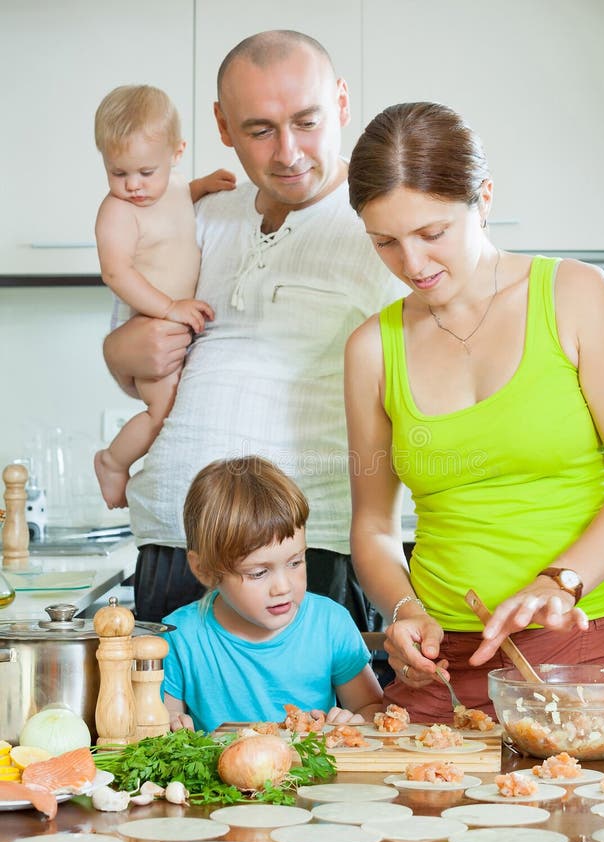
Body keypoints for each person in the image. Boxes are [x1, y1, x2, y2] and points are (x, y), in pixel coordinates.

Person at [344, 101, 604, 726]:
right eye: (386, 243)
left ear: (484, 199)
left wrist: (561, 582)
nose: (412, 264)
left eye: (433, 233)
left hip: (597, 636)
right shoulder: (372, 349)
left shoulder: (576, 295)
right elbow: (372, 527)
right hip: (444, 661)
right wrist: (402, 610)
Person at [101, 32, 403, 624]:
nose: (288, 152)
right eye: (260, 130)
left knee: (318, 722)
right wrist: (121, 350)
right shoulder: (200, 214)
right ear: (221, 124)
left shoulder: (385, 230)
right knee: (164, 721)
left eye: (307, 122)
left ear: (342, 104)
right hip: (172, 540)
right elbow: (126, 364)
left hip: (309, 554)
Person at [162, 455, 383, 733]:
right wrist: (168, 726)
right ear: (204, 569)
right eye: (258, 573)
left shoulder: (330, 624)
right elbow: (160, 725)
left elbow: (372, 709)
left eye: (295, 562)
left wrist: (356, 721)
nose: (283, 587)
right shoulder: (177, 637)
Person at [92, 84, 236, 509]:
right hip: (143, 322)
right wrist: (169, 308)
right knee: (163, 412)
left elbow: (176, 201)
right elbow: (116, 271)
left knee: (177, 407)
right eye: (118, 174)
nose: (134, 186)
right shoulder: (117, 211)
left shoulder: (171, 185)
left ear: (177, 152)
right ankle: (114, 462)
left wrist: (202, 185)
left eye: (145, 172)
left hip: (171, 324)